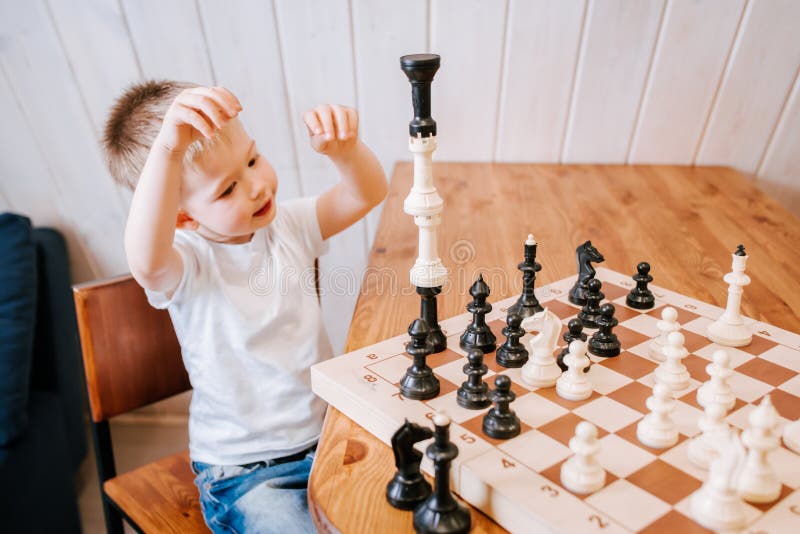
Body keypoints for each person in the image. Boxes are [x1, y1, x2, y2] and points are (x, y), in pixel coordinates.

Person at [102, 81, 387, 533]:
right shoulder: (185, 262)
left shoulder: (289, 225)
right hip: (248, 474)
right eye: (227, 189)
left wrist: (346, 151)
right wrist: (168, 150)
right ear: (183, 217)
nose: (255, 187)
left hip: (330, 439)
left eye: (252, 160)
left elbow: (365, 194)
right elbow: (145, 259)